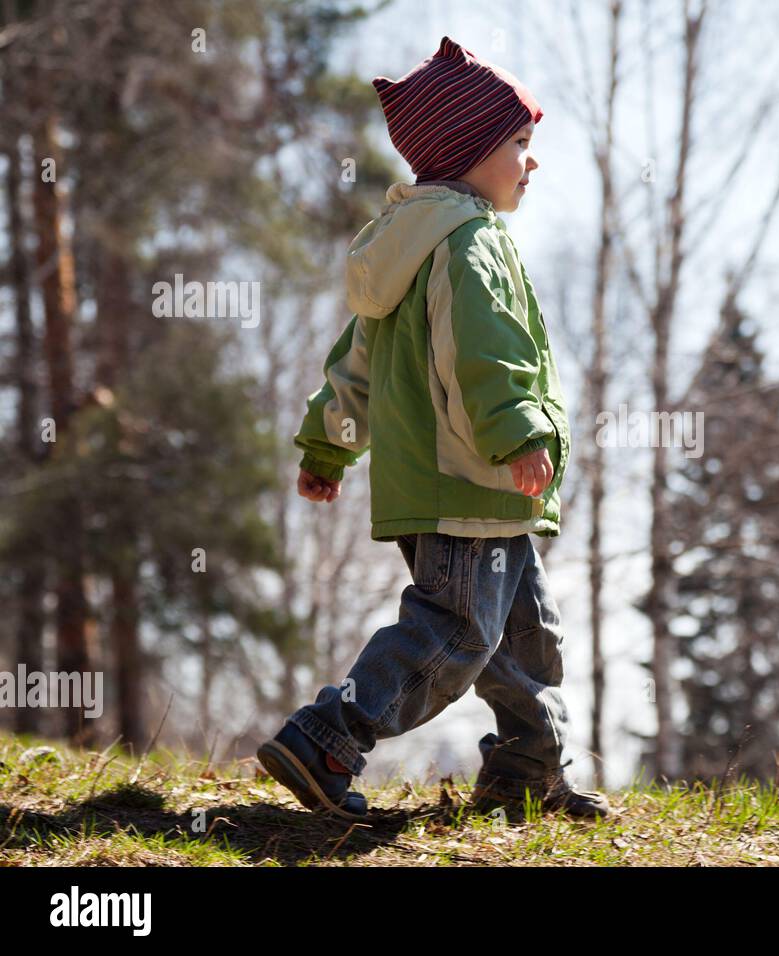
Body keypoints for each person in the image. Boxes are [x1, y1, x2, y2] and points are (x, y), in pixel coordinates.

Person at [255, 36, 609, 823]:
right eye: (519, 143)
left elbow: (358, 364)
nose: (531, 161)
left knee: (524, 641)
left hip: (466, 488)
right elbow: (487, 352)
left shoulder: (407, 252)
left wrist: (328, 442)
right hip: (470, 479)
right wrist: (518, 430)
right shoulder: (471, 244)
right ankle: (327, 739)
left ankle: (527, 772)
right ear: (471, 151)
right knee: (454, 634)